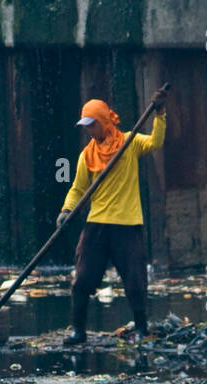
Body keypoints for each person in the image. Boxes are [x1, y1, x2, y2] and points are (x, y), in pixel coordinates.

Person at [57, 91, 167, 347]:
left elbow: (155, 142)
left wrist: (160, 115)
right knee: (82, 279)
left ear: (104, 121)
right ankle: (78, 331)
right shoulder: (88, 155)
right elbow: (78, 188)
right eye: (85, 127)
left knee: (135, 281)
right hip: (97, 225)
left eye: (92, 125)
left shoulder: (130, 143)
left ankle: (141, 328)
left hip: (127, 225)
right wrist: (66, 210)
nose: (89, 131)